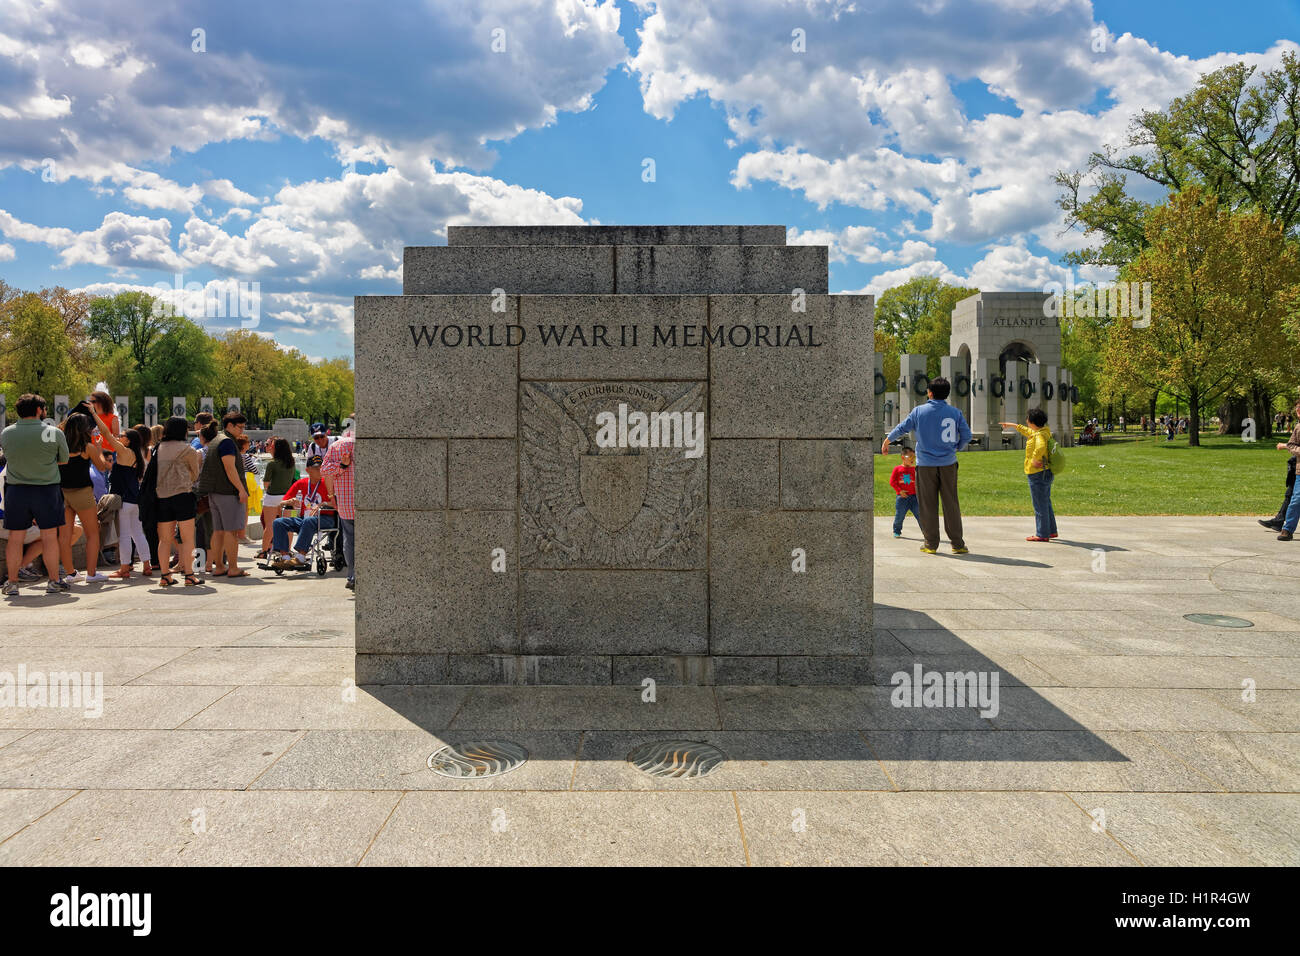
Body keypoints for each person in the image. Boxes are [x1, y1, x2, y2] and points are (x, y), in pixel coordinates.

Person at [883, 377, 970, 555]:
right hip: (948, 463)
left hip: (926, 465)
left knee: (928, 504)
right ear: (947, 393)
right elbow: (966, 436)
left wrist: (887, 440)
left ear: (930, 393)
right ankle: (957, 544)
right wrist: (956, 447)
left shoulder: (918, 411)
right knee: (951, 503)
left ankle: (931, 544)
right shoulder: (955, 412)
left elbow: (902, 428)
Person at [1, 394, 71, 594]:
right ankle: (53, 581)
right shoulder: (53, 432)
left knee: (15, 537)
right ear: (40, 410)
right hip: (47, 489)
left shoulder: (7, 433)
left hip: (17, 489)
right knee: (49, 537)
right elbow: (64, 460)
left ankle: (12, 582)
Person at [58, 412, 111, 583]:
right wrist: (100, 449)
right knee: (93, 533)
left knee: (64, 536)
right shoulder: (87, 447)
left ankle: (70, 573)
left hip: (63, 493)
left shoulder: (60, 446)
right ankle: (91, 573)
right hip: (82, 493)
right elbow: (102, 467)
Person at [197, 411, 249, 577]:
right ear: (230, 425)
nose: (242, 430)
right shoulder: (227, 442)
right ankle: (232, 567)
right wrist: (241, 489)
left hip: (215, 492)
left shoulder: (217, 439)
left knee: (218, 531)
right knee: (230, 531)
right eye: (240, 427)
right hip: (228, 492)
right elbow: (229, 468)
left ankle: (219, 566)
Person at [153, 416, 202, 586]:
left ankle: (165, 575)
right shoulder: (188, 450)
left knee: (164, 539)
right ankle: (189, 575)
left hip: (162, 497)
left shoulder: (157, 448)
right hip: (183, 495)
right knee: (188, 538)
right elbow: (195, 475)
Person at [1000, 408, 1058, 541]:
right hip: (1046, 472)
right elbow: (1028, 432)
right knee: (1045, 502)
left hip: (1037, 474)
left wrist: (1035, 459)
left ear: (1032, 421)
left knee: (1039, 504)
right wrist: (1013, 425)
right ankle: (1051, 531)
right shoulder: (1043, 431)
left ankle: (1042, 534)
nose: (1026, 421)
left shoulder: (1039, 436)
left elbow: (1041, 447)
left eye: (1027, 419)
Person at [269, 454, 334, 569]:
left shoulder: (328, 482)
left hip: (326, 518)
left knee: (308, 521)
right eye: (316, 468)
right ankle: (285, 558)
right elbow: (282, 503)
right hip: (305, 519)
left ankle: (300, 557)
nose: (320, 470)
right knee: (279, 522)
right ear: (307, 470)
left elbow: (336, 504)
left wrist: (322, 504)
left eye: (321, 467)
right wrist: (290, 501)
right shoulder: (300, 483)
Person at [106, 428, 151, 578]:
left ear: (128, 440)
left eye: (122, 436)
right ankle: (146, 565)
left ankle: (124, 568)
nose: (119, 437)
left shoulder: (124, 452)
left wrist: (93, 414)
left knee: (125, 535)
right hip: (135, 499)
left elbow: (107, 435)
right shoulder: (136, 455)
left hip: (124, 500)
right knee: (137, 533)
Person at [320, 427, 355, 590]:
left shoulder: (338, 446)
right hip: (374, 502)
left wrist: (341, 465)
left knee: (349, 538)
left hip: (347, 501)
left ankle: (353, 575)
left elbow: (324, 470)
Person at [257, 438, 296, 559]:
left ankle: (264, 551)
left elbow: (266, 484)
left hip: (272, 497)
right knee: (288, 526)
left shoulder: (272, 464)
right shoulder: (292, 462)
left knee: (270, 526)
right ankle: (287, 550)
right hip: (288, 497)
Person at [1267, 401, 1300, 536]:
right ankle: (1287, 529)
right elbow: (1291, 445)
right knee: (1296, 499)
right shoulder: (1298, 427)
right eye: (1297, 408)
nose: (1298, 410)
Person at [889, 445, 920, 539]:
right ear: (903, 457)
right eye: (910, 457)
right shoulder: (897, 469)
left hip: (914, 497)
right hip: (902, 498)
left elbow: (919, 482)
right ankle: (897, 531)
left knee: (920, 515)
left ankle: (927, 532)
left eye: (914, 457)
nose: (912, 459)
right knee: (900, 515)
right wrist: (899, 491)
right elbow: (892, 482)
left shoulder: (914, 469)